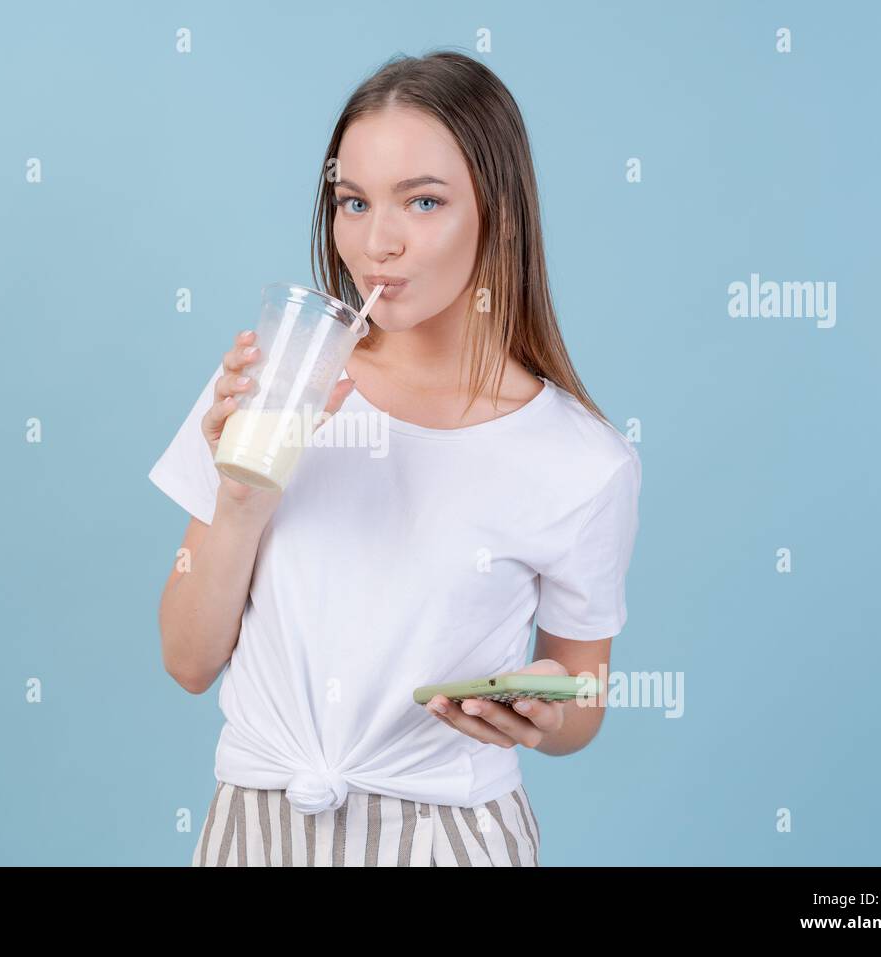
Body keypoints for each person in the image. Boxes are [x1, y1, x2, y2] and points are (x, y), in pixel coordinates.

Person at [149, 50, 641, 867]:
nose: (377, 242)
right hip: (254, 827)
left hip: (452, 837)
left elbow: (583, 693)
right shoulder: (273, 388)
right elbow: (188, 660)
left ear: (502, 213)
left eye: (423, 201)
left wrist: (548, 717)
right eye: (353, 201)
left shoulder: (583, 461)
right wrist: (240, 497)